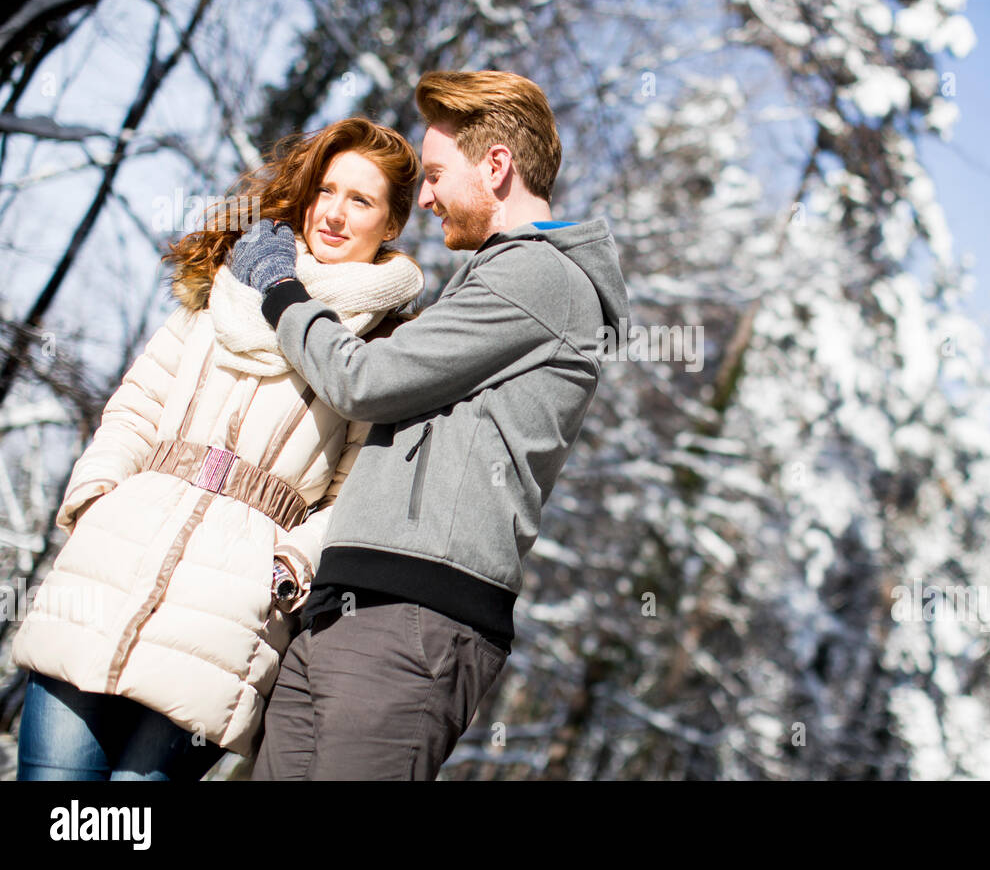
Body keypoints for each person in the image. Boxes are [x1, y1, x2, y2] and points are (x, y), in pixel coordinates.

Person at [232, 69, 629, 780]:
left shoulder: (540, 279)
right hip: (349, 606)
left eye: (438, 174)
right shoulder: (495, 277)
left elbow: (365, 380)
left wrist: (282, 291)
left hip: (412, 620)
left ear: (497, 166)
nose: (428, 196)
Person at [11, 117, 427, 780]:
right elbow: (136, 407)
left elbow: (358, 496)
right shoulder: (223, 291)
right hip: (112, 563)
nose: (335, 214)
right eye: (327, 190)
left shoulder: (382, 351)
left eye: (361, 201)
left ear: (393, 224)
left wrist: (287, 567)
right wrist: (98, 498)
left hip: (232, 613)